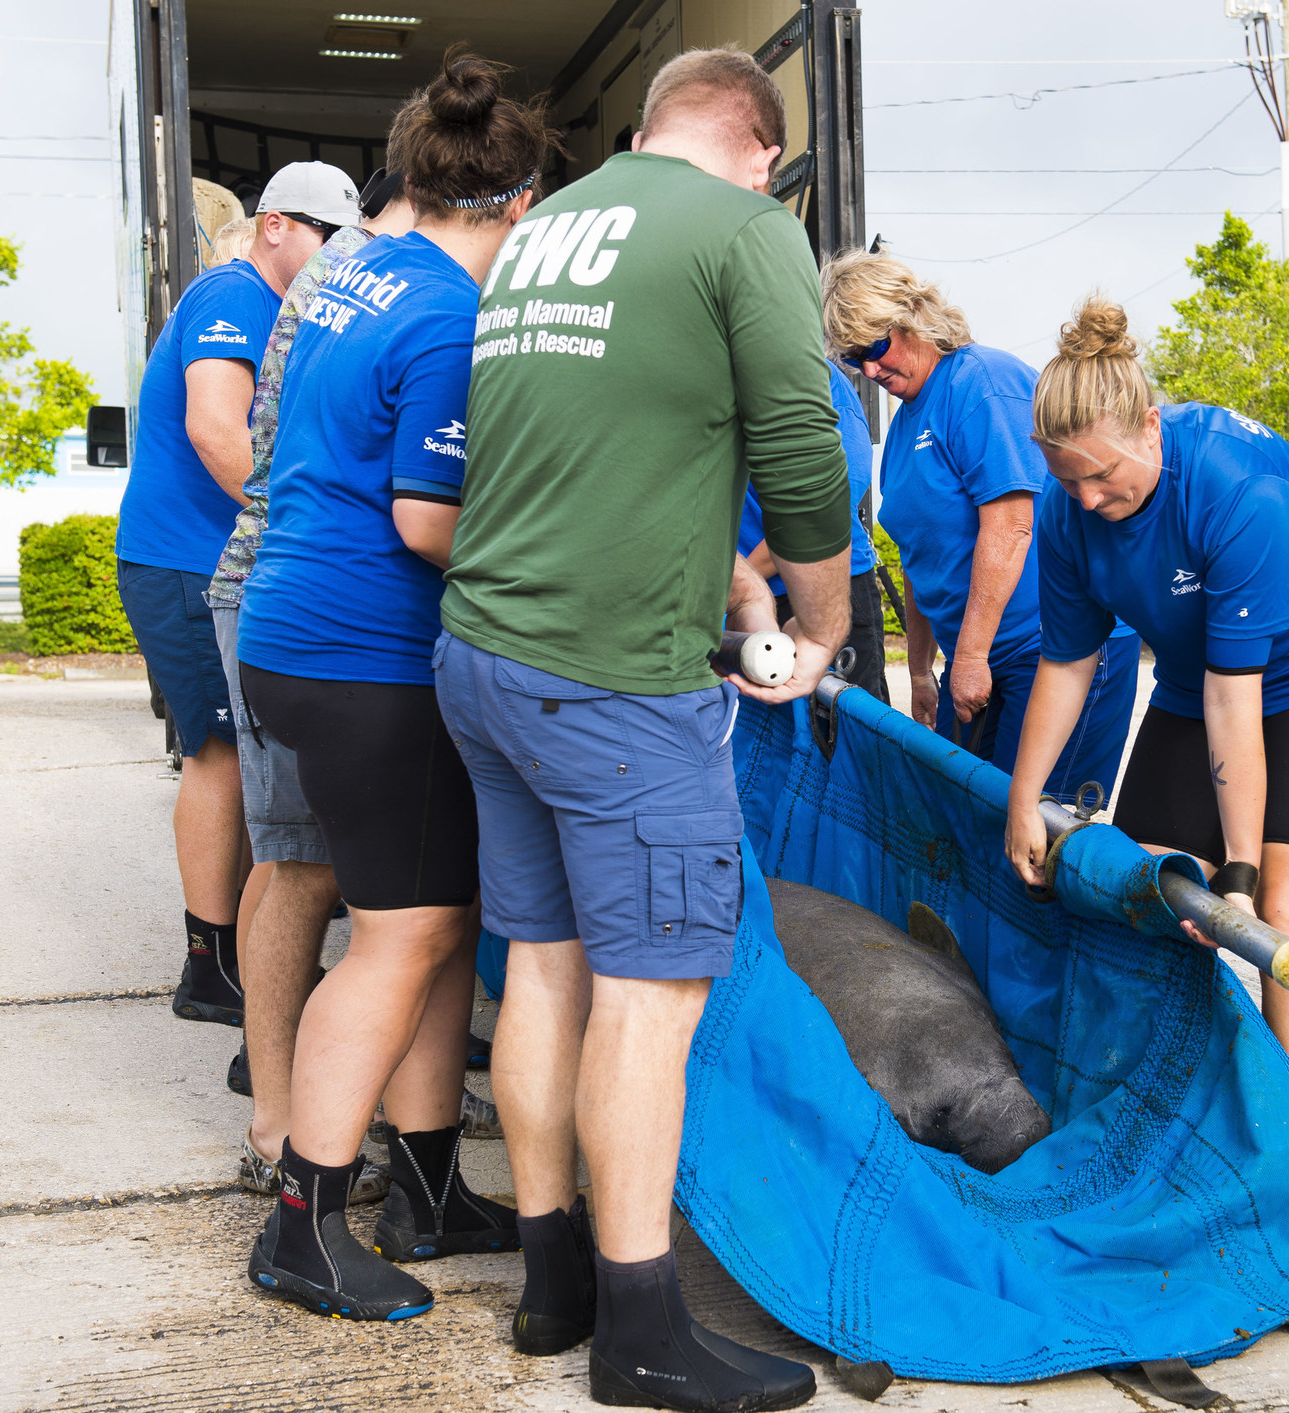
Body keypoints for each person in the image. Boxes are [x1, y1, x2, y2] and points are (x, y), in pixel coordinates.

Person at [436, 47, 847, 1413]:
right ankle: (642, 1327)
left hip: (485, 654)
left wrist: (713, 566)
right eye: (770, 171)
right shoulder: (745, 229)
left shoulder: (546, 228)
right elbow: (798, 442)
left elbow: (597, 442)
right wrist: (823, 620)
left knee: (543, 967)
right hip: (613, 683)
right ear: (755, 145)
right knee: (654, 995)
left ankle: (555, 1283)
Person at [232, 54, 546, 1321]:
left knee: (442, 917)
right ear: (516, 205)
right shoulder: (448, 315)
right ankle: (303, 1223)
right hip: (368, 653)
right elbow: (429, 520)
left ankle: (425, 1187)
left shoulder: (348, 271)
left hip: (292, 627)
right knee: (401, 938)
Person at [1002, 297, 1289, 1108]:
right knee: (1143, 888)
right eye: (1067, 477)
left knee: (1283, 906)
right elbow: (1067, 663)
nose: (1085, 498)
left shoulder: (1235, 487)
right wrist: (1022, 801)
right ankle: (1155, 1114)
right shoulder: (1066, 508)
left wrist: (1240, 873)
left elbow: (1238, 705)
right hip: (1198, 678)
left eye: (1103, 475)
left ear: (1151, 428)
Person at [205, 149, 411, 1202]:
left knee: (343, 872)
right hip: (296, 598)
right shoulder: (373, 286)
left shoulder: (359, 282)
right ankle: (277, 1122)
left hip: (308, 598)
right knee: (299, 863)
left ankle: (357, 1092)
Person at [118, 161, 356, 1029]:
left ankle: (240, 954)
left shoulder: (289, 308)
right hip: (185, 561)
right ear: (275, 226)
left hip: (217, 561)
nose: (336, 257)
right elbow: (217, 429)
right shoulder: (233, 296)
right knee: (219, 757)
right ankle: (209, 963)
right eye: (324, 238)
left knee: (246, 764)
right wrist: (300, 525)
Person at [823, 253, 1138, 802]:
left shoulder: (981, 383)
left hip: (1054, 645)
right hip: (982, 652)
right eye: (855, 360)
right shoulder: (902, 429)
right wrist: (922, 671)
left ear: (915, 315)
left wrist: (967, 659)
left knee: (1032, 827)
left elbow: (1012, 525)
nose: (870, 371)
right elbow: (924, 559)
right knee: (957, 816)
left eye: (875, 349)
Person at [737, 362, 890, 700]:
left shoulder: (819, 377)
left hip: (826, 584)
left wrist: (735, 582)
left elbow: (834, 498)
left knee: (849, 730)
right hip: (742, 591)